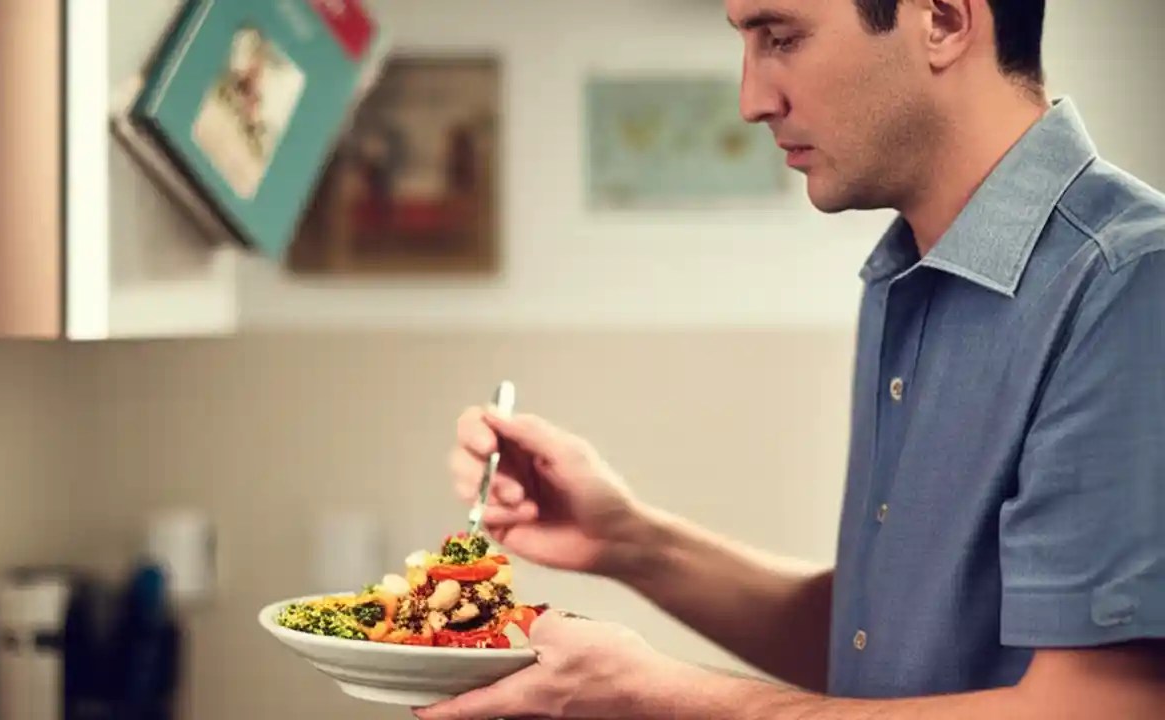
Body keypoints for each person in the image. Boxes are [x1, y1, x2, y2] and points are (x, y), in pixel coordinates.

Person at [415, 0, 1165, 718]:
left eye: (780, 37)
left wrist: (660, 696)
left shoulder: (1128, 281)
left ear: (942, 18)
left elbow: (1101, 708)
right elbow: (880, 651)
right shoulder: (904, 277)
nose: (750, 100)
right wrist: (628, 539)